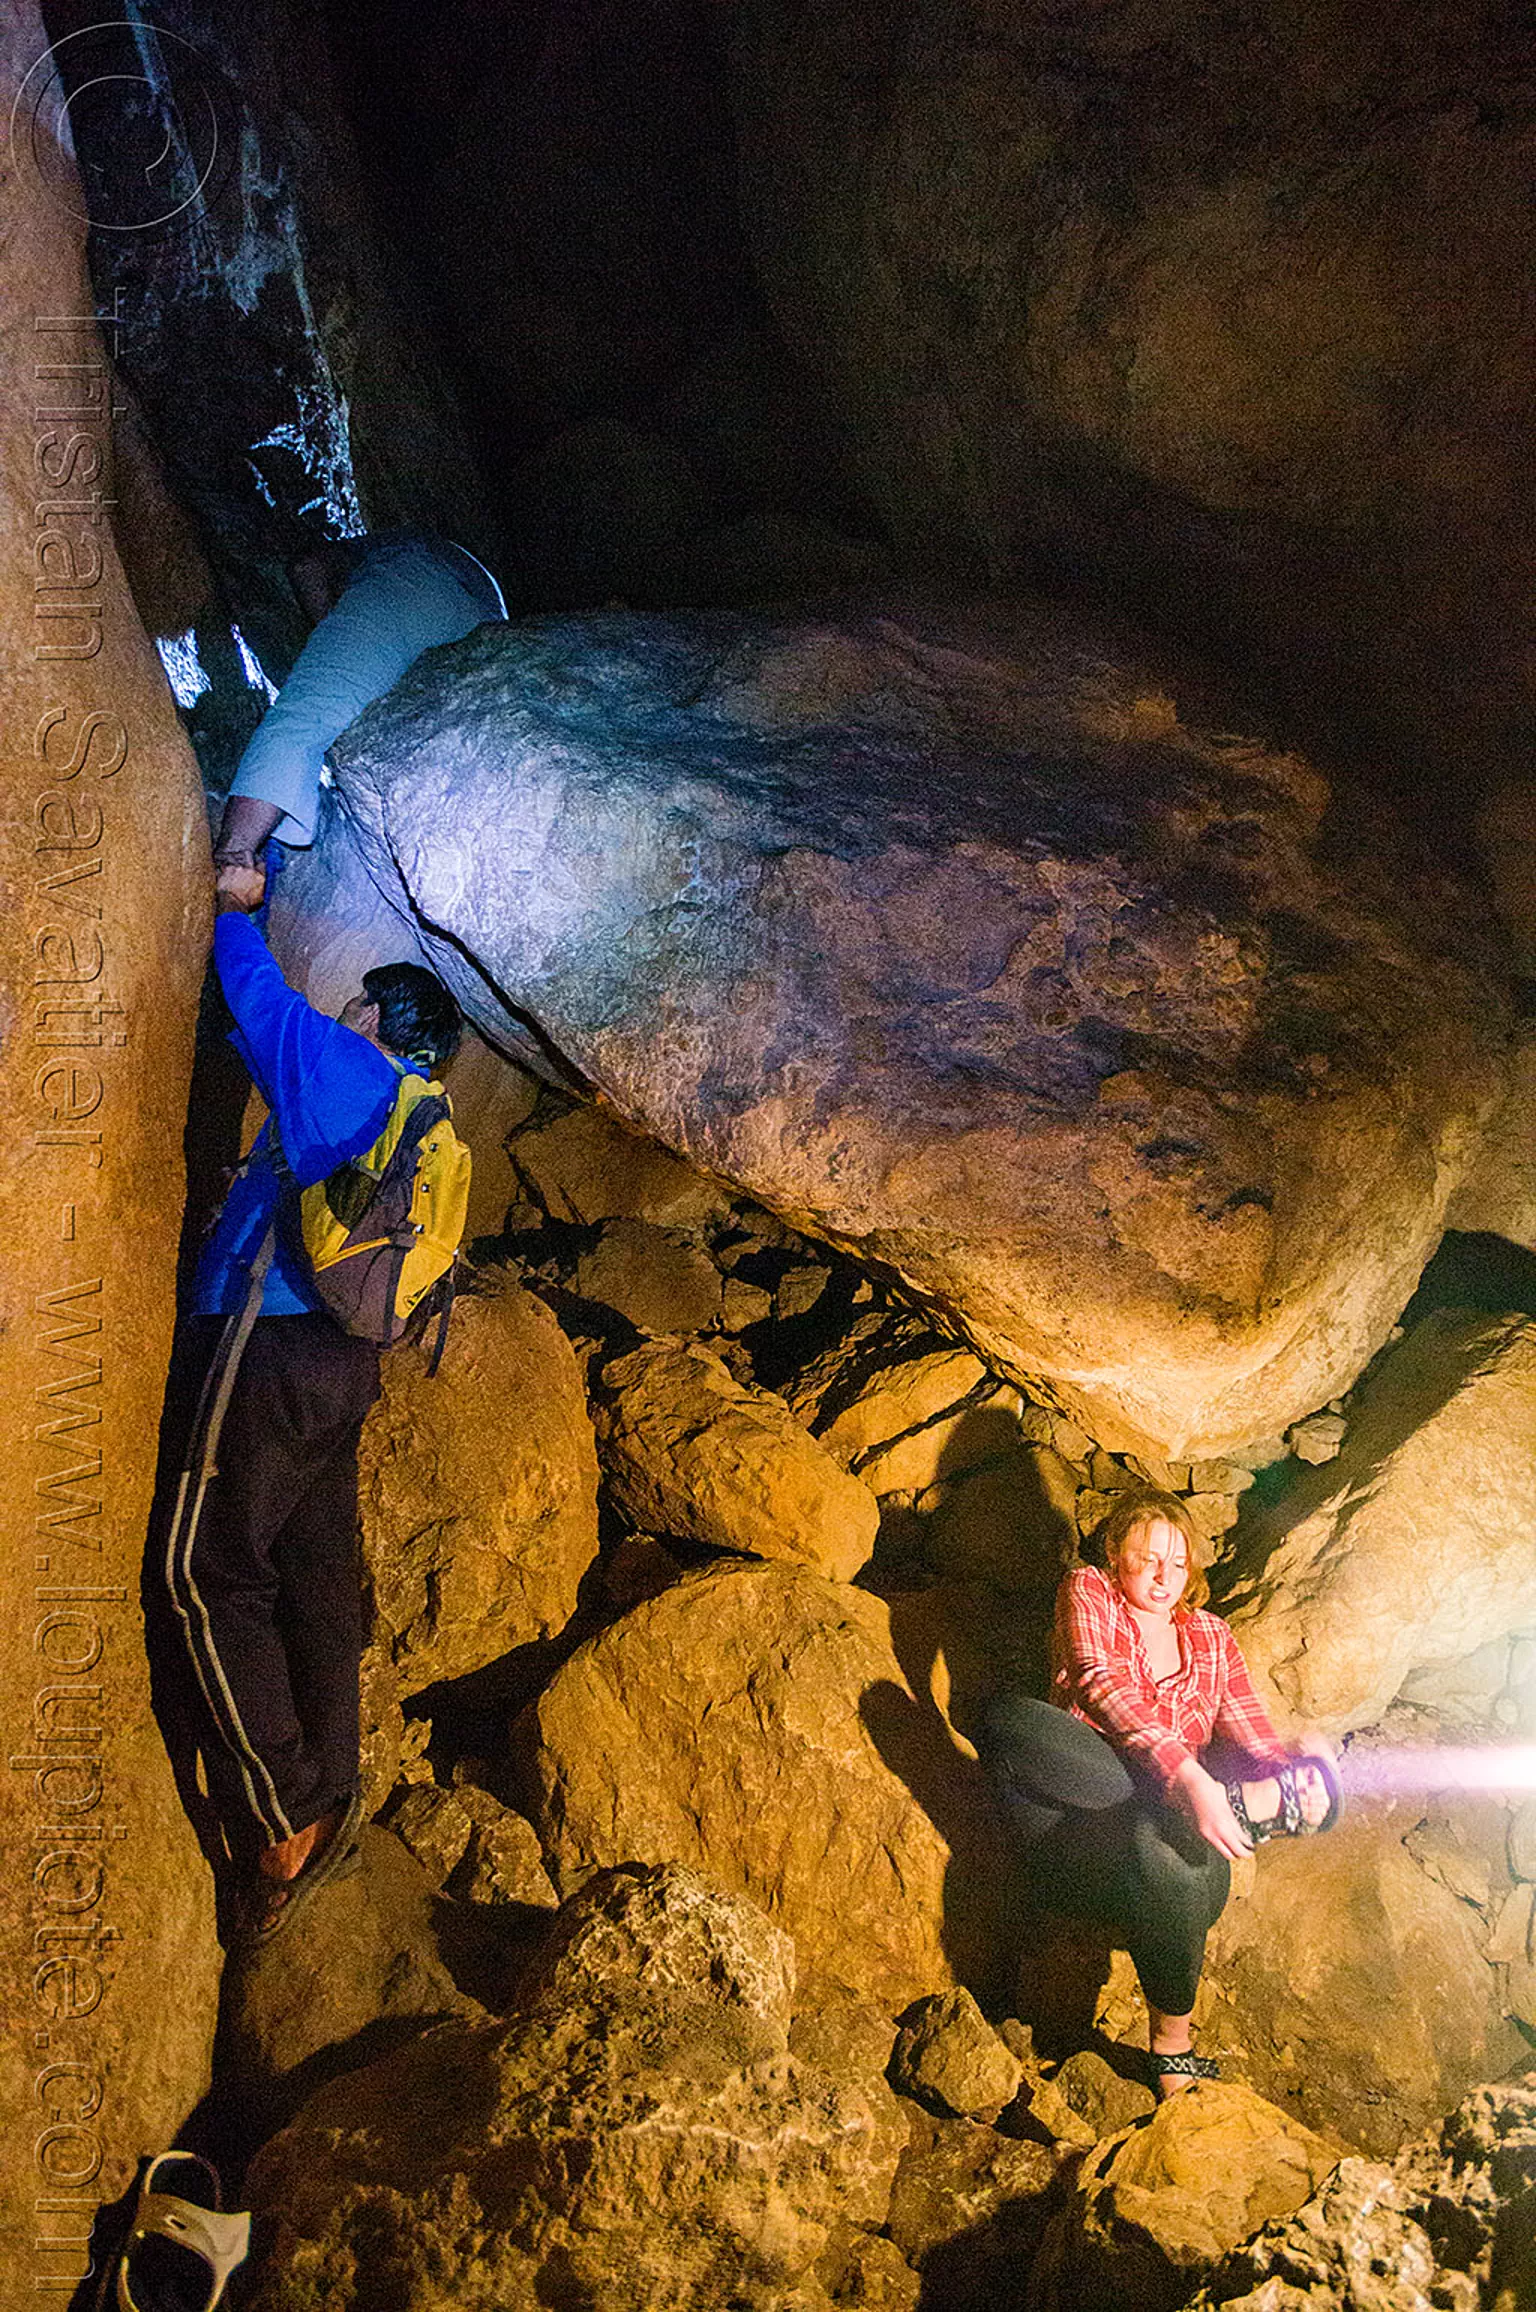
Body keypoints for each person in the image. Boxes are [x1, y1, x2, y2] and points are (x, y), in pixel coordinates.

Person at [149, 849, 463, 1942]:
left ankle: (282, 1817)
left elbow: (257, 1000)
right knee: (315, 1577)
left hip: (271, 1338)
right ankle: (333, 1784)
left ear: (381, 1016)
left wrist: (243, 904)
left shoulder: (347, 1069)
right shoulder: (417, 1114)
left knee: (203, 1568)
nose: (347, 1005)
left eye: (362, 998)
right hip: (343, 1366)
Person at [980, 1491, 1340, 2094]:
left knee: (1169, 1854)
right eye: (1146, 1558)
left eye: (1177, 1564)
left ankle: (1172, 2044)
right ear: (1117, 1556)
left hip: (1163, 1845)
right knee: (1009, 1721)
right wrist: (1190, 1779)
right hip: (1075, 1824)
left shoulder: (1212, 1638)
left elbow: (1252, 1731)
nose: (1162, 1576)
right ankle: (1202, 1808)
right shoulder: (1090, 1591)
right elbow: (1100, 1684)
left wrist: (1293, 1770)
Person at [213, 527, 506, 868]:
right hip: (488, 628)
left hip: (415, 580)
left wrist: (336, 639)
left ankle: (232, 863)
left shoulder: (384, 547)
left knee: (304, 720)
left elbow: (306, 567)